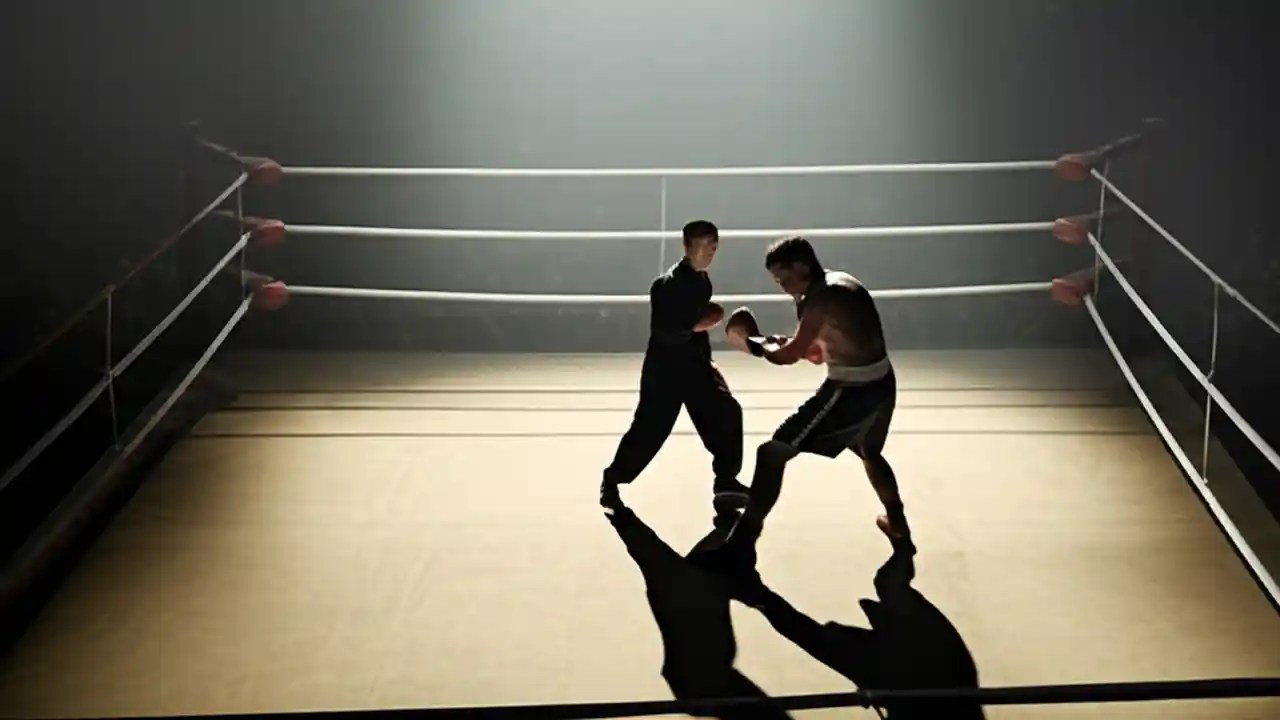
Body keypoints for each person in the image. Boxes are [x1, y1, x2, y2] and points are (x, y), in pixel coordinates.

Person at [698, 234, 909, 571]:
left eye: (782, 277)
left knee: (770, 454)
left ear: (800, 266)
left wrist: (756, 346)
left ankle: (742, 543)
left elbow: (790, 357)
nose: (780, 285)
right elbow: (815, 352)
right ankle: (898, 523)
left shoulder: (820, 299)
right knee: (870, 452)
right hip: (882, 381)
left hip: (850, 391)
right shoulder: (839, 284)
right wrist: (780, 342)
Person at [600, 220, 749, 513]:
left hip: (694, 366)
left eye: (713, 247)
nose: (708, 253)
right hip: (665, 370)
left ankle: (726, 481)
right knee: (650, 429)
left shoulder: (702, 281)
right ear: (686, 247)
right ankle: (612, 479)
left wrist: (708, 361)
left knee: (727, 412)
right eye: (702, 246)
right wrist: (698, 323)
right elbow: (665, 332)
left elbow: (694, 331)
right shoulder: (664, 286)